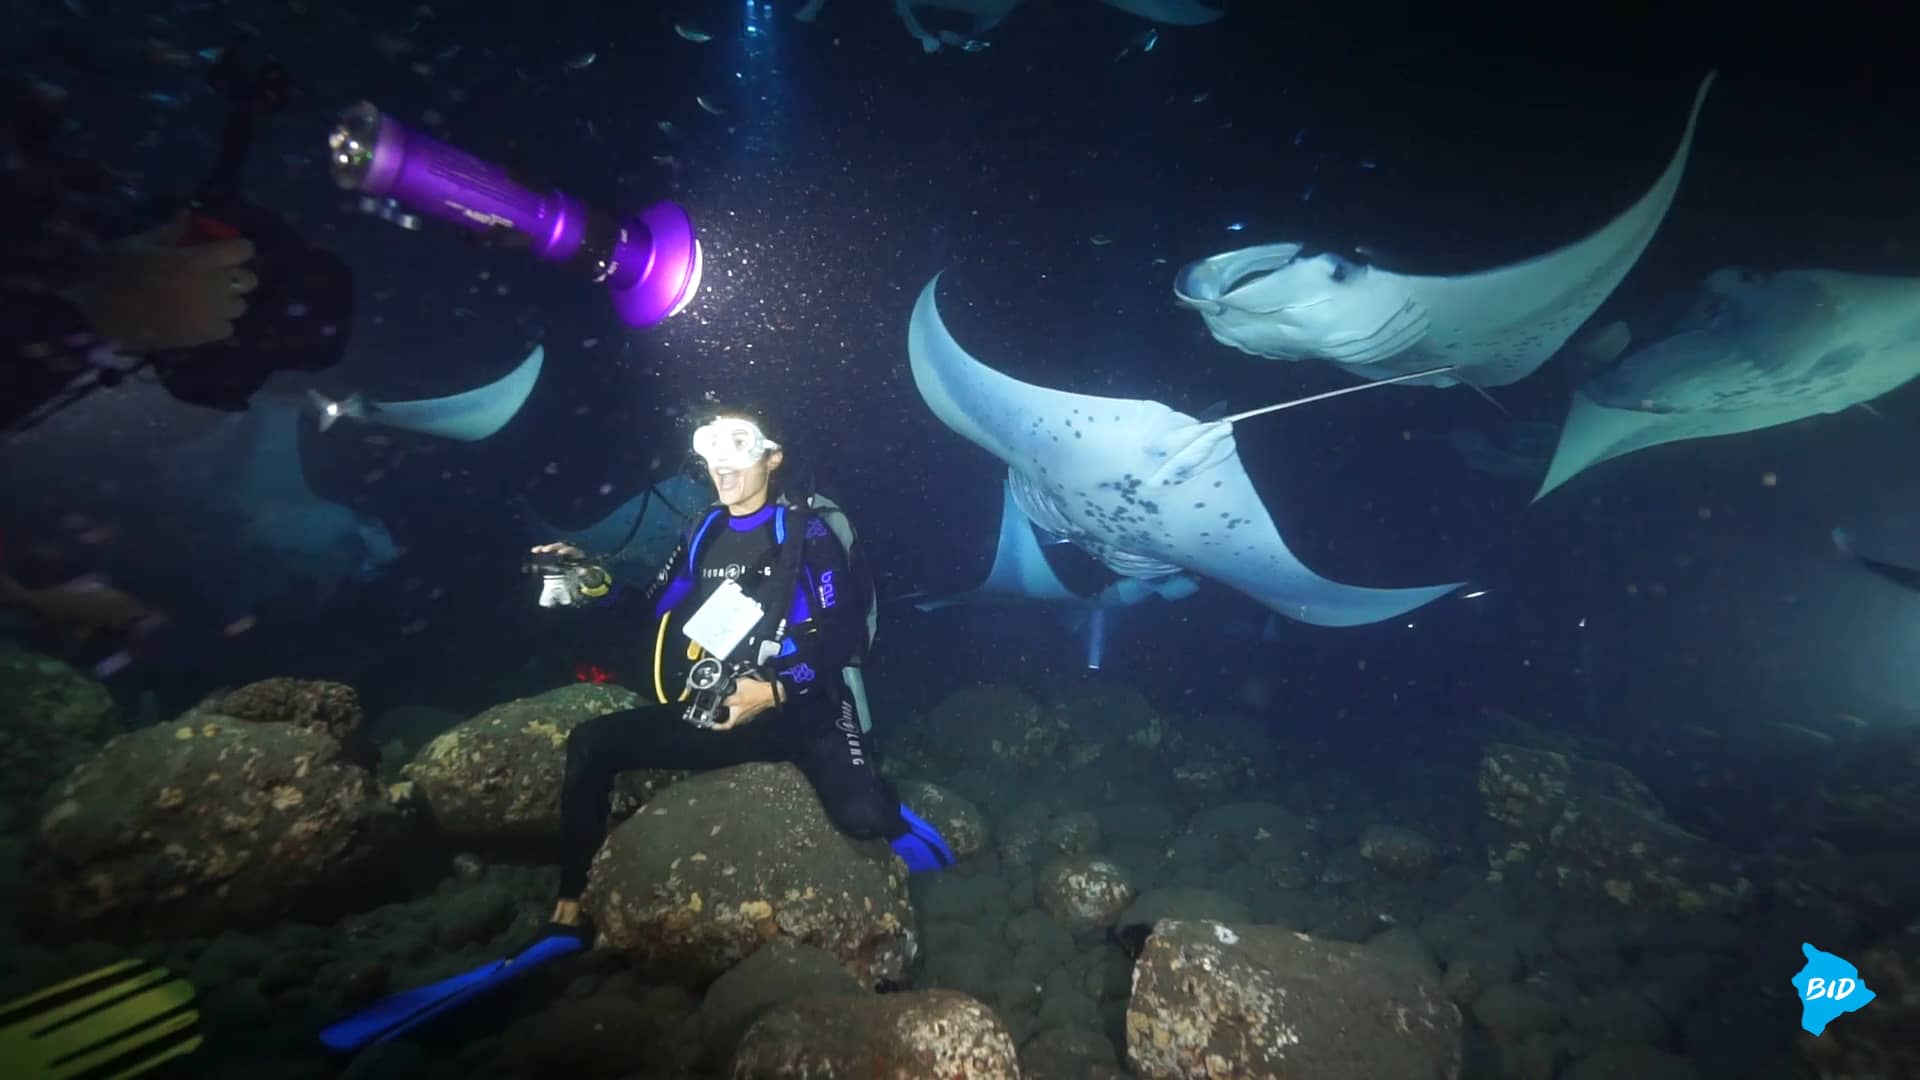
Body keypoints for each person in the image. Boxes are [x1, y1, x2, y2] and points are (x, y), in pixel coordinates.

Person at [531, 408, 952, 934]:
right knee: (590, 743)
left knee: (863, 820)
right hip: (725, 708)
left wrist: (773, 691)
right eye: (711, 445)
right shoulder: (704, 531)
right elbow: (650, 610)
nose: (722, 463)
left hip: (804, 706)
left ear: (773, 458)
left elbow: (843, 641)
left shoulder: (807, 533)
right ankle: (570, 903)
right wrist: (593, 581)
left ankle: (890, 805)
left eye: (739, 444)